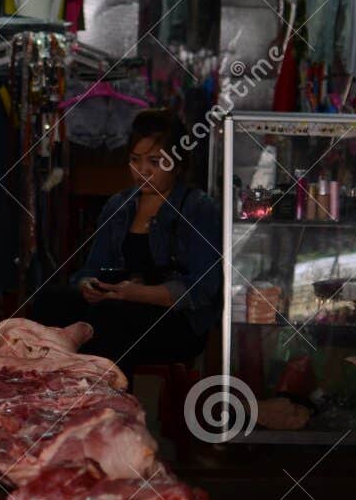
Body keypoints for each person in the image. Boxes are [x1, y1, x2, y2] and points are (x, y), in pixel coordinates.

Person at [37, 109, 220, 371]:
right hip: (118, 303)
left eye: (155, 162)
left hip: (176, 321)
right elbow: (90, 269)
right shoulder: (118, 206)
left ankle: (105, 404)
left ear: (177, 163)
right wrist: (88, 285)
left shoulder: (199, 209)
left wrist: (136, 294)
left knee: (108, 318)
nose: (142, 171)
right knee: (51, 302)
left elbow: (202, 290)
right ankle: (47, 393)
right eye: (135, 160)